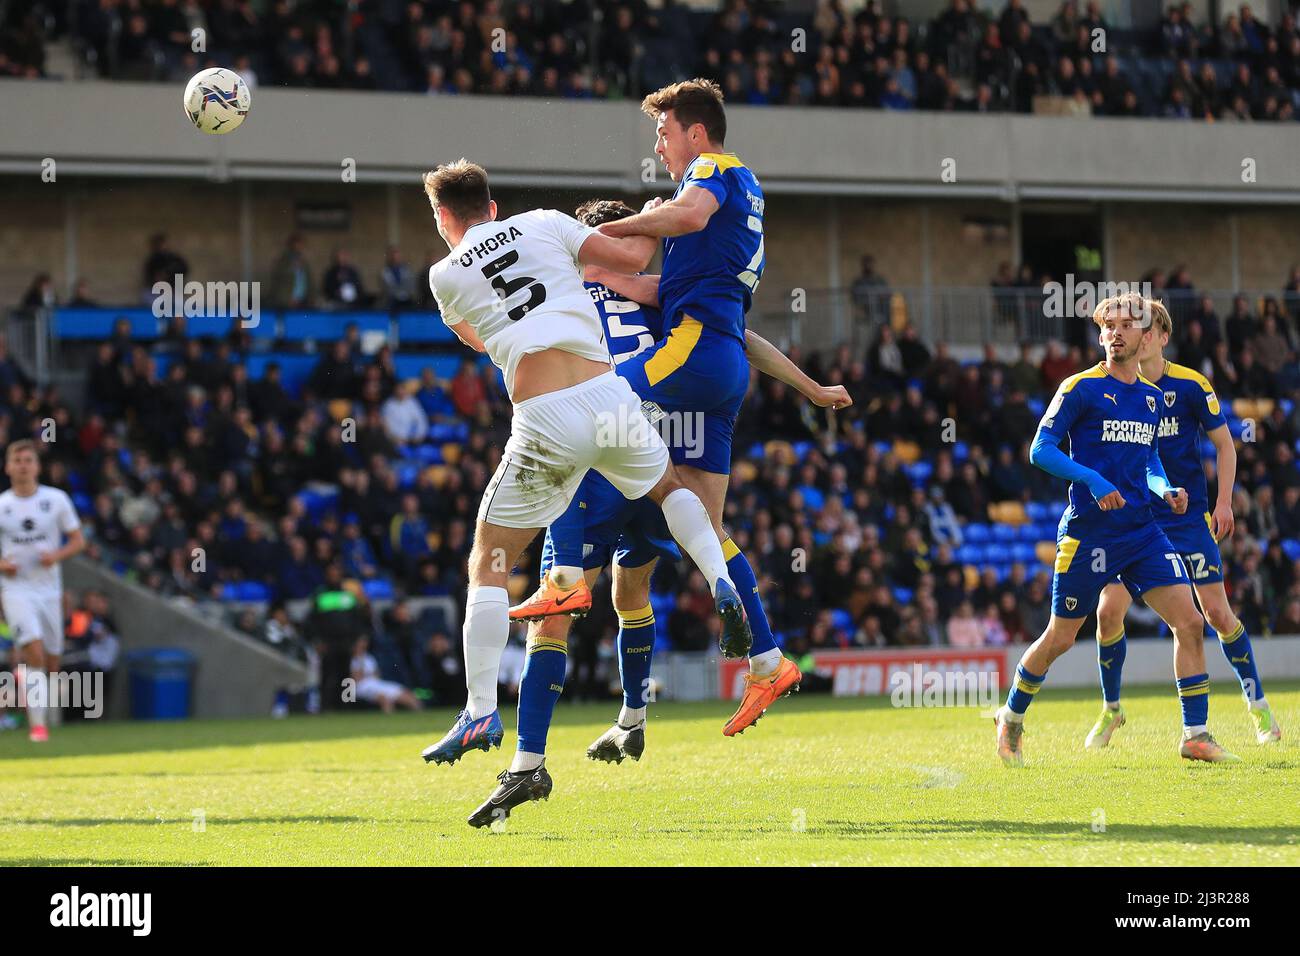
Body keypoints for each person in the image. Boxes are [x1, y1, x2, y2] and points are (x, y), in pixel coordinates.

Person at [414, 160, 750, 827]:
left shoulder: (444, 275)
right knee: (668, 487)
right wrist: (655, 214)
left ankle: (482, 712)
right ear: (494, 203)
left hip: (546, 419)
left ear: (443, 219)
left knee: (490, 559)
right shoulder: (544, 223)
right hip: (610, 396)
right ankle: (720, 581)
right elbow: (630, 251)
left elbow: (479, 339)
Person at [506, 199, 850, 765]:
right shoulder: (667, 290)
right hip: (661, 443)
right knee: (643, 579)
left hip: (598, 453)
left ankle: (527, 762)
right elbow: (736, 337)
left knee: (556, 616)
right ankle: (642, 715)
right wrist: (810, 389)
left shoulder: (562, 292)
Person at [565, 79, 848, 738]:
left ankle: (559, 572)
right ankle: (768, 656)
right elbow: (728, 323)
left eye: (663, 134)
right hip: (718, 370)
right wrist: (812, 389)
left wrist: (617, 227)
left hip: (686, 364)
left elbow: (686, 215)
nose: (659, 149)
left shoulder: (714, 171)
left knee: (576, 410)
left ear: (695, 131)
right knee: (710, 536)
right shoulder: (695, 252)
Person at [995, 293, 1238, 767]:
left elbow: (1148, 458)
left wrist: (1165, 488)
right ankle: (1011, 717)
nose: (1117, 332)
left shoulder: (1151, 398)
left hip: (1142, 532)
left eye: (1127, 325)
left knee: (1189, 622)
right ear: (1101, 334)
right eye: (1109, 326)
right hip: (1089, 534)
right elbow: (1039, 450)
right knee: (1061, 638)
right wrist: (1092, 478)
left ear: (1146, 336)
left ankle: (1196, 734)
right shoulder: (1079, 388)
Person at [1086, 299, 1281, 747]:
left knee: (1215, 613)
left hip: (1188, 521)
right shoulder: (1112, 385)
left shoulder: (1191, 386)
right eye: (1136, 328)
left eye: (1148, 328)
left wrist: (1224, 502)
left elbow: (1226, 447)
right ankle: (1111, 709)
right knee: (1107, 612)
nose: (1141, 334)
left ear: (1161, 337)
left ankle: (1257, 705)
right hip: (1136, 521)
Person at [0, 440, 87, 742]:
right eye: (17, 460)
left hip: (49, 591)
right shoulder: (2, 505)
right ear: (8, 467)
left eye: (28, 460)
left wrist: (55, 556)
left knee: (52, 662)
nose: (23, 465)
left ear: (37, 466)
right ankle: (39, 727)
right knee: (33, 651)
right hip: (15, 590)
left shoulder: (57, 500)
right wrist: (2, 565)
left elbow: (78, 540)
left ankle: (27, 691)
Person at [349, 636, 420, 712]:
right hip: (362, 687)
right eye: (360, 642)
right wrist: (360, 660)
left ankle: (421, 718)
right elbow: (356, 679)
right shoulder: (353, 659)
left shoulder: (370, 658)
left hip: (376, 683)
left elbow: (377, 675)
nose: (363, 644)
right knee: (385, 699)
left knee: (408, 695)